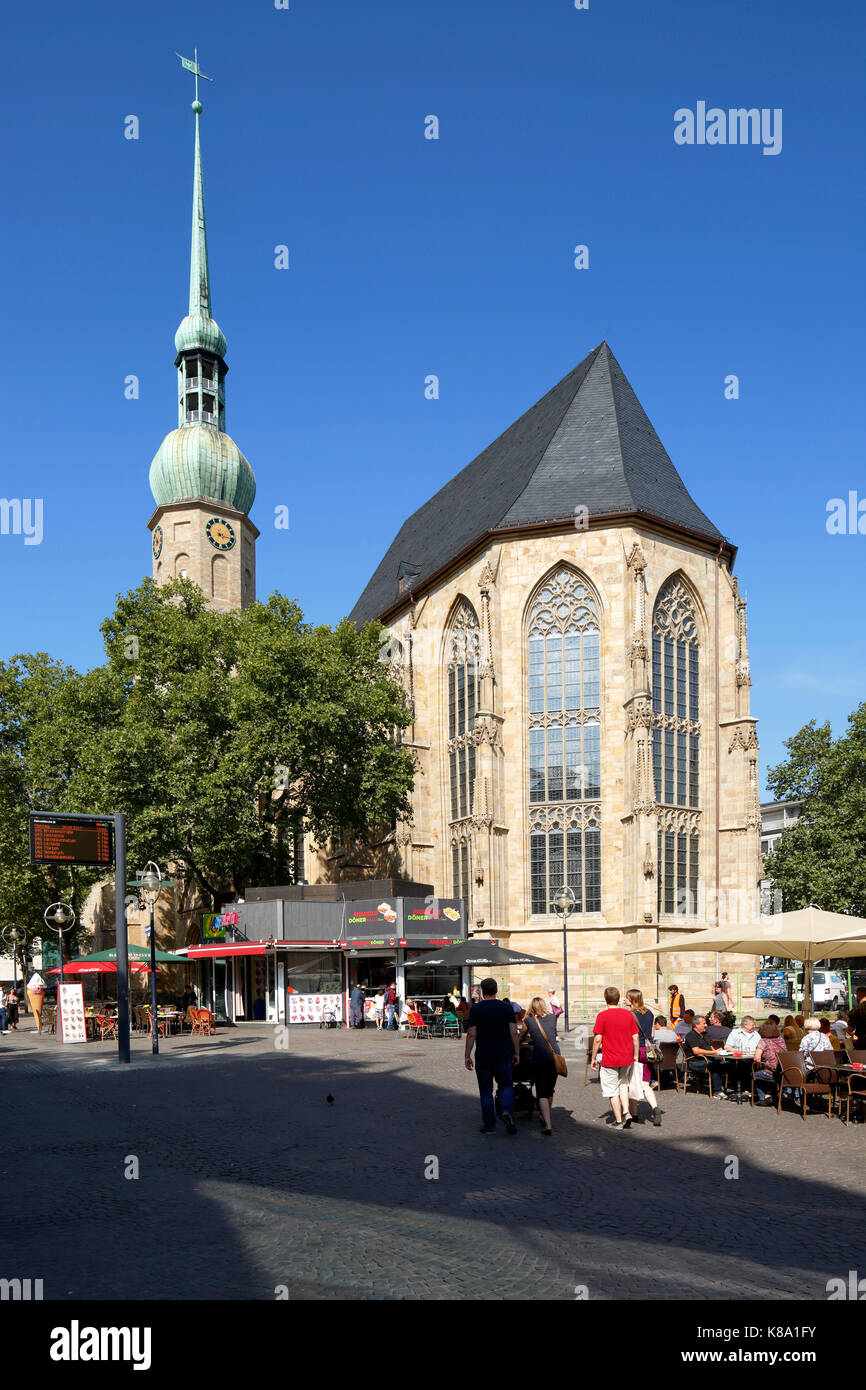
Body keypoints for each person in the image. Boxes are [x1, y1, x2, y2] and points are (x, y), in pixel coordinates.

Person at [465, 977, 520, 1135]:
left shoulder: (476, 1009)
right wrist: (516, 1052)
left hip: (484, 1055)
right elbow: (513, 1032)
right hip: (503, 1053)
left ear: (482, 991)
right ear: (496, 990)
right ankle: (507, 1111)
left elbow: (471, 1034)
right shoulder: (507, 1008)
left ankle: (490, 1125)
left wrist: (467, 1055)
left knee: (485, 1091)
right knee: (506, 1085)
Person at [591, 986, 640, 1130]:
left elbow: (597, 1039)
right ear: (618, 999)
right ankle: (626, 1111)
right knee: (623, 1085)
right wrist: (636, 1055)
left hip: (610, 1059)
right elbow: (635, 1037)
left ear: (605, 999)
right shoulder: (628, 1015)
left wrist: (593, 1057)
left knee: (612, 1090)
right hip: (627, 1058)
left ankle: (619, 1121)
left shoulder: (602, 1016)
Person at [520, 996, 562, 1135]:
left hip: (539, 1058)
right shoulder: (552, 1018)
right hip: (555, 1056)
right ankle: (544, 1115)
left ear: (532, 1007)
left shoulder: (528, 1021)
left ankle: (548, 1125)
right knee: (550, 1089)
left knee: (542, 1092)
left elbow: (522, 1037)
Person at [624, 989, 661, 1126]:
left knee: (632, 1082)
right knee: (645, 1084)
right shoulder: (650, 1013)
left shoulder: (630, 1014)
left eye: (626, 998)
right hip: (648, 1050)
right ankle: (655, 1108)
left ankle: (633, 1114)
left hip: (636, 1051)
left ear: (632, 999)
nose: (624, 1000)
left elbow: (629, 1036)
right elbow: (651, 1033)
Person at [683, 1015, 729, 1098]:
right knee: (714, 1065)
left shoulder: (705, 1034)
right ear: (696, 1025)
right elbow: (696, 1051)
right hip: (695, 1062)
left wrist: (717, 1052)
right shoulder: (691, 1035)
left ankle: (738, 1089)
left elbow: (710, 1047)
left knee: (727, 1064)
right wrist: (713, 1052)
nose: (706, 1025)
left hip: (707, 1059)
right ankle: (717, 1091)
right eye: (704, 1023)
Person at [753, 1021, 786, 1103]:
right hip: (783, 1072)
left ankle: (763, 1097)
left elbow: (756, 1058)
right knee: (764, 1073)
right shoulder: (781, 1040)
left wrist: (759, 1064)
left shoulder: (763, 1041)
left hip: (771, 1073)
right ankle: (770, 1093)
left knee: (753, 1074)